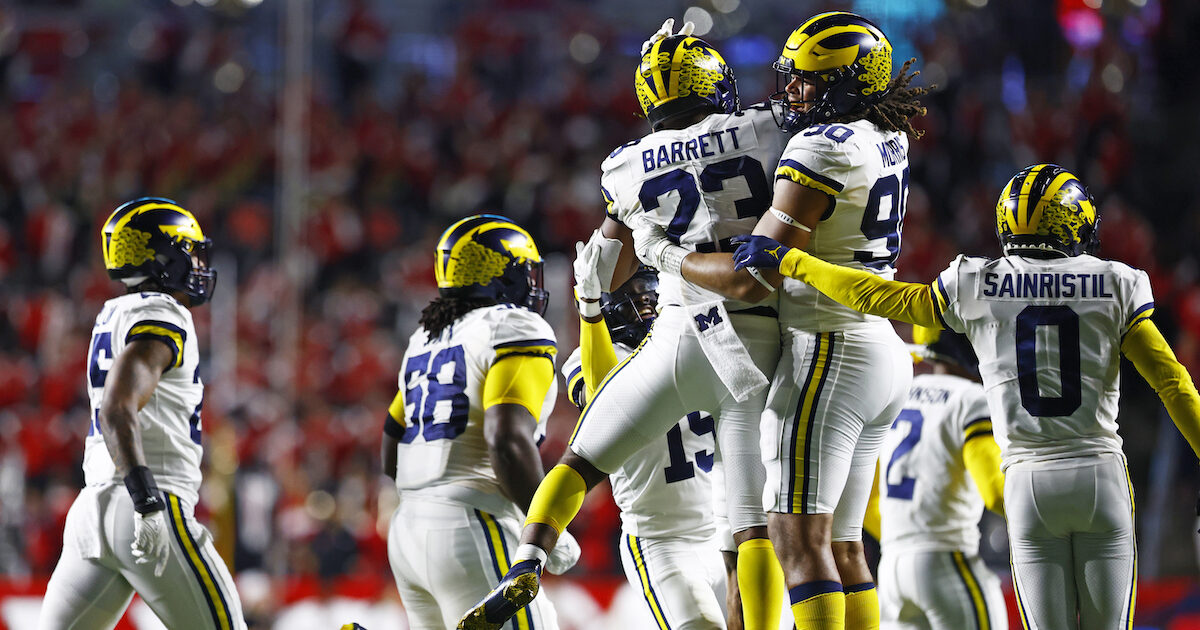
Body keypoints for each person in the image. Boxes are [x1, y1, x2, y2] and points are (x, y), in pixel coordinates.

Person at [731, 163, 1200, 629]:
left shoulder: (977, 282)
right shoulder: (1116, 282)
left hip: (1027, 484)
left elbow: (879, 296)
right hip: (1099, 476)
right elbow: (1173, 384)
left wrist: (795, 262)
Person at [460, 21, 790, 630]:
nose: (634, 303)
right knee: (757, 529)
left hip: (684, 333)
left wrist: (590, 302)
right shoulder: (768, 126)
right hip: (748, 334)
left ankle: (526, 557)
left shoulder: (625, 167)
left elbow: (611, 269)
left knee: (579, 461)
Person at [634, 11, 931, 629]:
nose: (794, 93)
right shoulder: (887, 135)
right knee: (846, 548)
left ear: (850, 84)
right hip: (879, 346)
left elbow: (750, 276)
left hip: (829, 351)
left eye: (811, 82)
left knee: (797, 543)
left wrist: (669, 257)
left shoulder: (819, 146)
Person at [38, 198, 245, 629]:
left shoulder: (112, 314)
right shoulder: (162, 313)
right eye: (189, 250)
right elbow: (118, 407)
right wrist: (147, 499)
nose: (197, 263)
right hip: (147, 501)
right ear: (163, 253)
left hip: (92, 509)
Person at [382, 214, 579, 629]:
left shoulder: (426, 337)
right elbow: (506, 441)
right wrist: (545, 530)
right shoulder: (513, 325)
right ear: (503, 275)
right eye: (525, 272)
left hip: (406, 530)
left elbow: (390, 447)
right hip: (471, 522)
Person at [563, 263, 729, 629]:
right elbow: (600, 402)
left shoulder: (698, 340)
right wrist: (589, 312)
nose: (647, 309)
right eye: (633, 301)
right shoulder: (592, 359)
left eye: (651, 297)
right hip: (663, 541)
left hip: (729, 527)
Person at [865, 326, 1008, 630]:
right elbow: (997, 493)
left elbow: (867, 498)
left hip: (891, 565)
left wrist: (906, 539)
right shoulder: (973, 400)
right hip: (946, 560)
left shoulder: (899, 392)